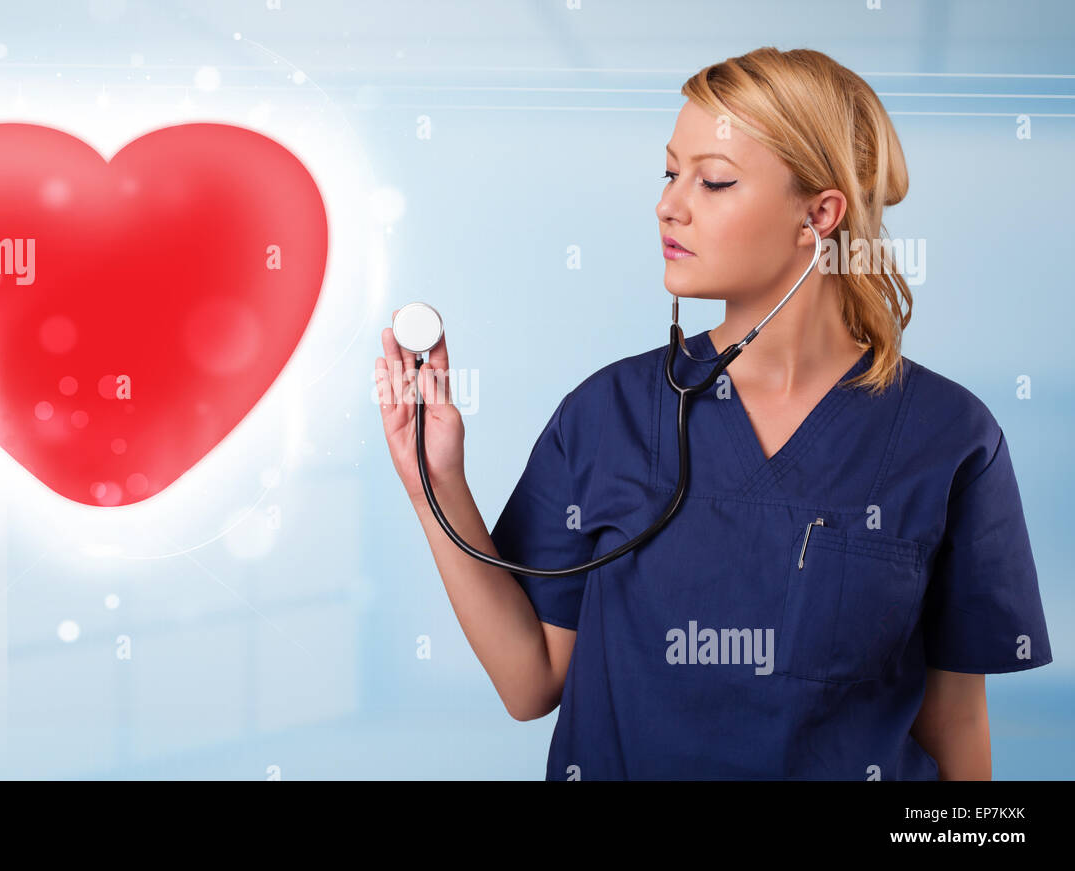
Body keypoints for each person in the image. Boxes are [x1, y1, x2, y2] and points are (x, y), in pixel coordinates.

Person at [373, 46, 1052, 780]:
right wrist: (433, 481)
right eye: (670, 172)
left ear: (819, 215)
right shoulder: (606, 414)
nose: (669, 203)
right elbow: (530, 680)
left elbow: (956, 722)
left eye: (715, 180)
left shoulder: (950, 437)